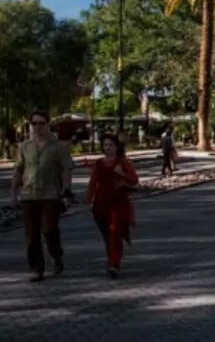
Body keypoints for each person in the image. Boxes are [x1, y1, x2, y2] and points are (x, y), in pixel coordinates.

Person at [10, 110, 74, 282]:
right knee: (31, 235)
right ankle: (36, 268)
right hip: (29, 195)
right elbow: (18, 171)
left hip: (50, 195)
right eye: (34, 123)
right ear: (30, 125)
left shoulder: (58, 146)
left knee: (49, 230)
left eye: (42, 123)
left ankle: (56, 254)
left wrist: (67, 192)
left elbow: (66, 170)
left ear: (48, 124)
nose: (38, 127)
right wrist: (13, 194)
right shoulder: (24, 146)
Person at [85, 134, 139, 278]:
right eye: (105, 145)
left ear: (116, 148)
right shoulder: (98, 164)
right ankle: (112, 259)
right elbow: (92, 183)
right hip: (101, 204)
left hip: (118, 203)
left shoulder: (122, 163)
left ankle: (114, 263)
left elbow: (134, 180)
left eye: (110, 145)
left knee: (114, 232)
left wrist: (122, 174)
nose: (107, 148)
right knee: (107, 236)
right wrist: (88, 201)